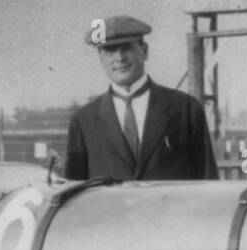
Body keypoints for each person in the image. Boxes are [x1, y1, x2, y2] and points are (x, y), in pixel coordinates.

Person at [65, 15, 218, 181]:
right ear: (100, 58)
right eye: (109, 50)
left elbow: (207, 183)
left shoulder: (185, 110)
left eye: (126, 48)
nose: (120, 58)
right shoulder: (83, 121)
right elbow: (74, 193)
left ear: (144, 51)